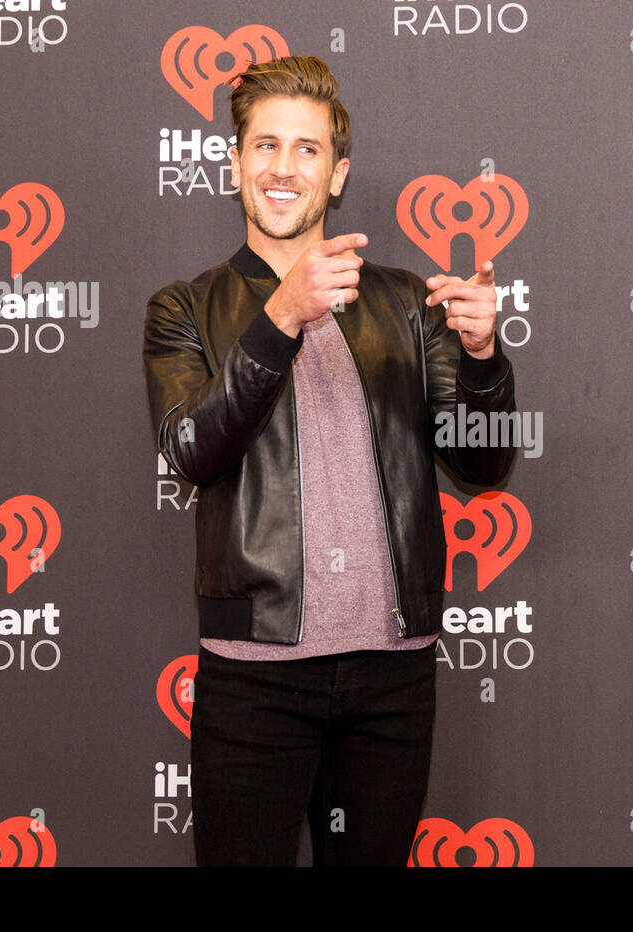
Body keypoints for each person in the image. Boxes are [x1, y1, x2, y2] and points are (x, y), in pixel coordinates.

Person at [142, 55, 516, 866]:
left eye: (307, 149)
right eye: (265, 146)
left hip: (392, 678)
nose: (284, 168)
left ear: (338, 173)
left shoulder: (407, 302)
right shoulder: (185, 307)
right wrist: (280, 317)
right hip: (255, 680)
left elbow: (483, 465)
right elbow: (189, 450)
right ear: (237, 162)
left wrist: (483, 355)